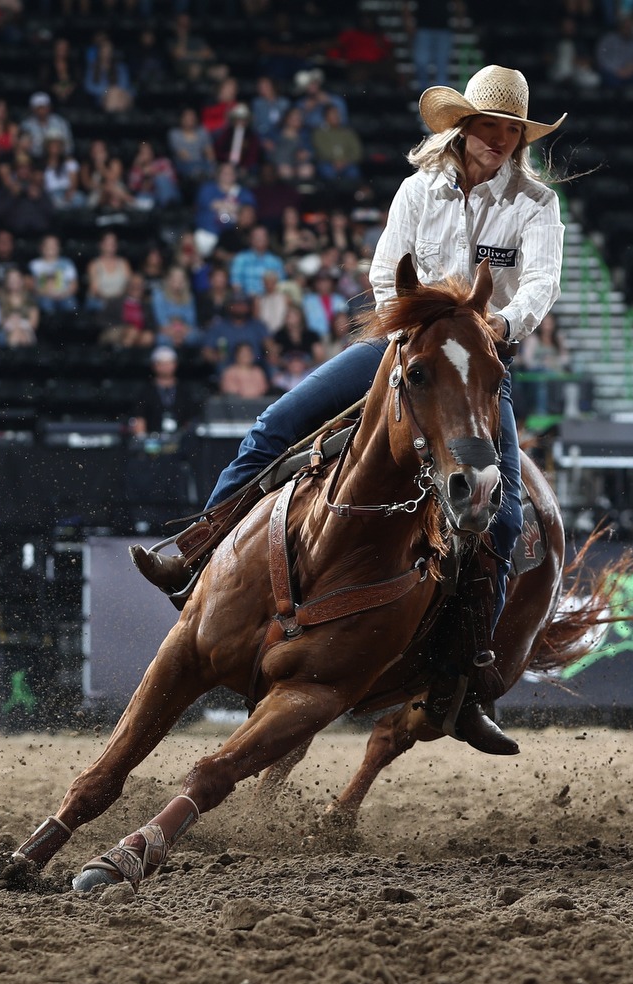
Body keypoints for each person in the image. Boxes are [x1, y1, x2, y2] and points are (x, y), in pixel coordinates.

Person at [131, 65, 568, 757]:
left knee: (505, 516)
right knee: (273, 428)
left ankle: (460, 682)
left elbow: (541, 283)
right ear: (464, 128)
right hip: (401, 352)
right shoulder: (418, 189)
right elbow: (384, 271)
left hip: (476, 369)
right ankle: (196, 555)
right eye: (489, 127)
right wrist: (418, 328)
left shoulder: (536, 204)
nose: (500, 140)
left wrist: (495, 328)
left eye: (511, 131)